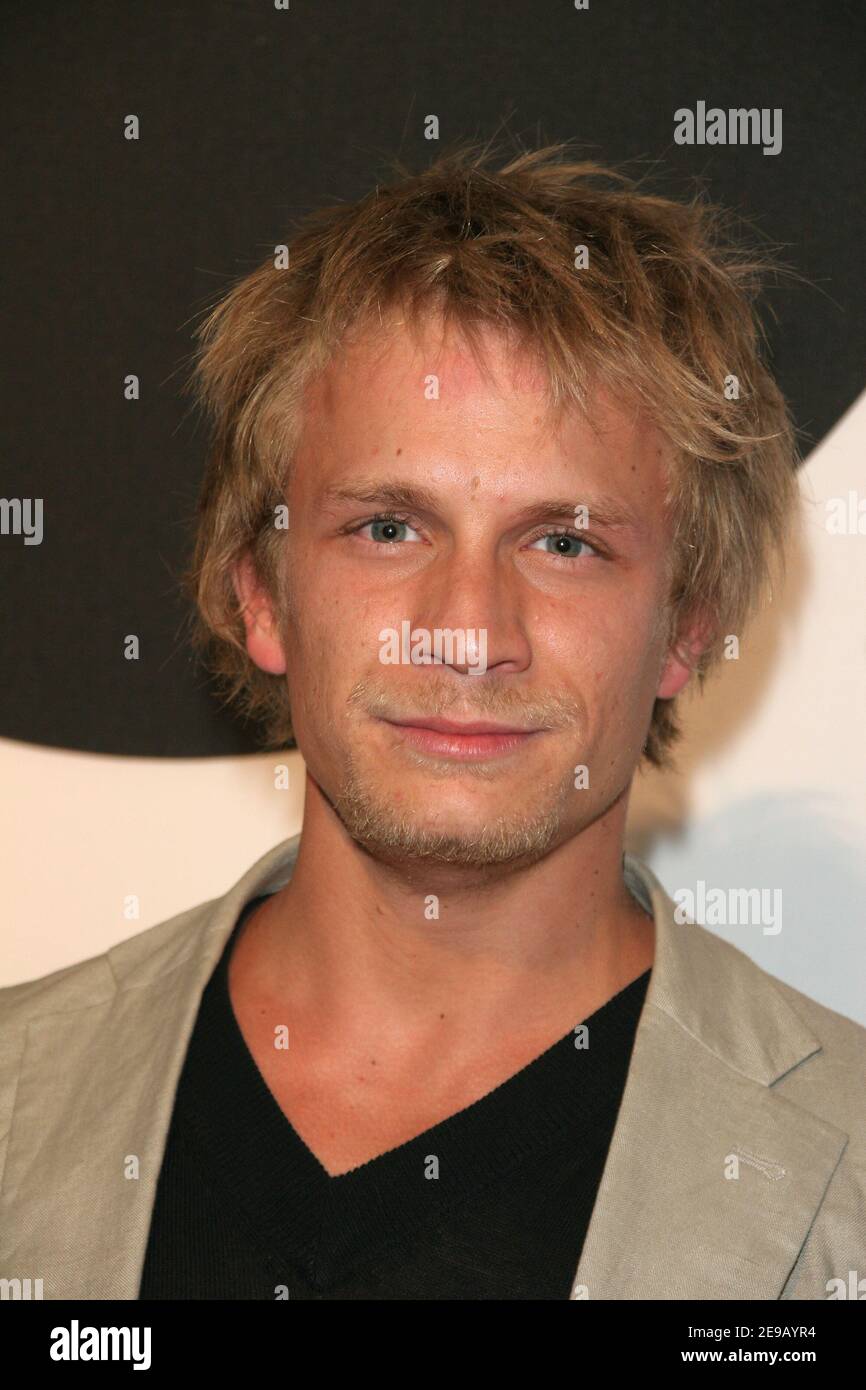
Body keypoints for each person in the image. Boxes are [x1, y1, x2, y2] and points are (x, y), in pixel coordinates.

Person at [1, 141, 863, 1301]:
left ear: (683, 626)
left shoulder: (841, 1168)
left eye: (562, 543)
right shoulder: (20, 1092)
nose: (465, 631)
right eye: (387, 528)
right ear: (259, 594)